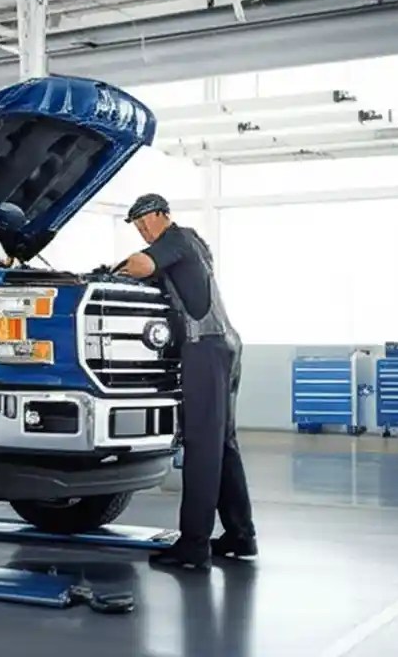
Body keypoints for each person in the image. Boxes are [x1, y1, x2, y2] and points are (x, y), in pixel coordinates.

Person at [113, 193, 257, 571]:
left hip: (205, 346)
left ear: (164, 215)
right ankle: (242, 535)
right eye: (137, 225)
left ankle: (194, 545)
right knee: (223, 444)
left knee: (201, 445)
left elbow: (142, 265)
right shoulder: (190, 245)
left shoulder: (175, 239)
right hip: (225, 344)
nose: (143, 230)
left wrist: (117, 268)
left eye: (146, 220)